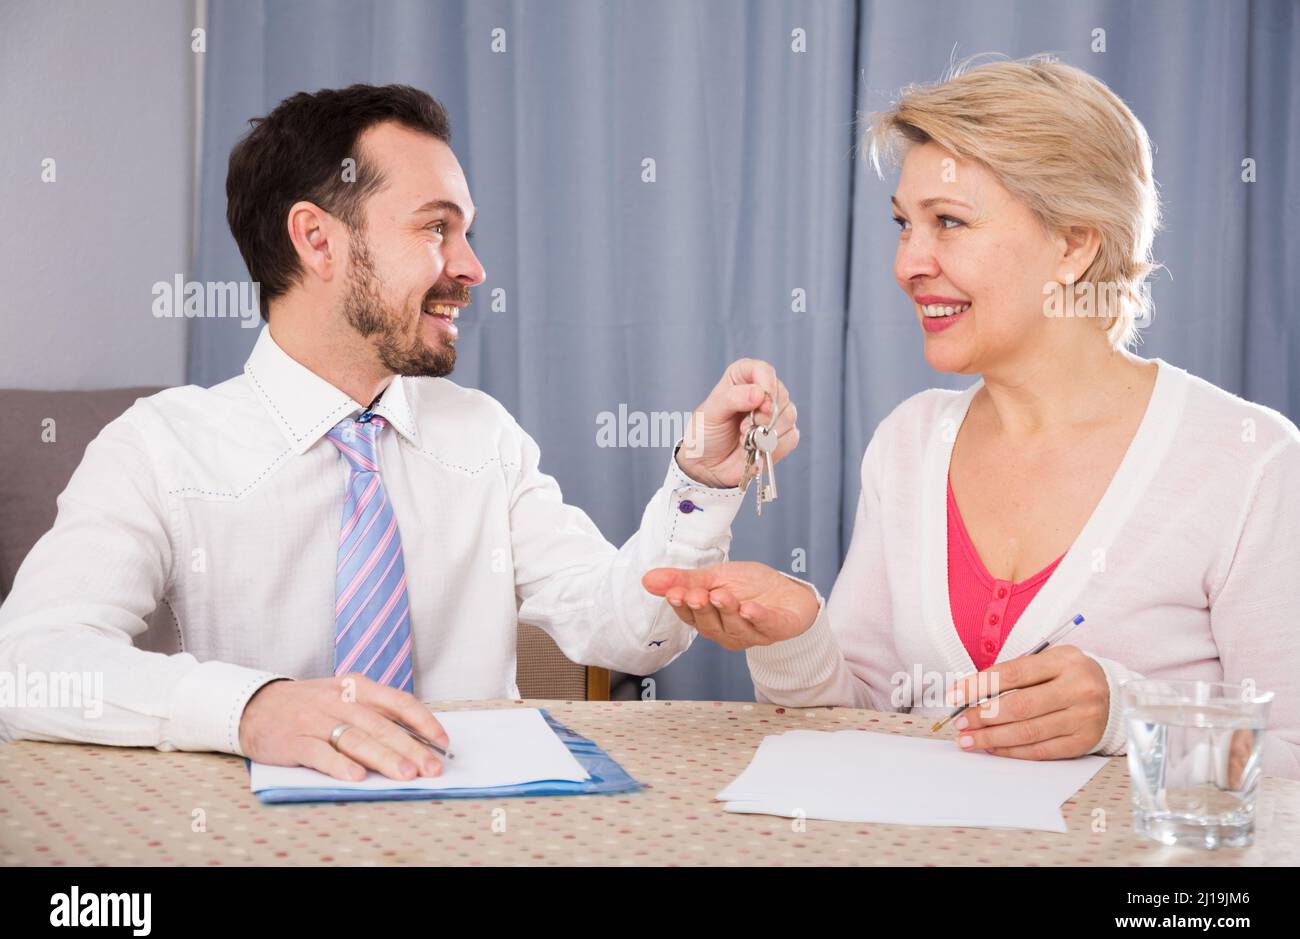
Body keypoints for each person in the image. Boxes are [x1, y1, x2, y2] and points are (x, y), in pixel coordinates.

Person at [0, 84, 799, 782]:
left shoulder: (484, 437)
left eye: (469, 232)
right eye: (435, 229)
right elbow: (28, 668)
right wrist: (251, 709)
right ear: (317, 240)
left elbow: (631, 633)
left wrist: (701, 484)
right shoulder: (159, 448)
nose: (473, 268)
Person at [644, 57, 1300, 779]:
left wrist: (1126, 716)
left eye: (949, 222)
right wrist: (796, 637)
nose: (907, 264)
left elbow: (1293, 759)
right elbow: (866, 717)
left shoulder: (1249, 461)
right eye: (904, 225)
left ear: (1075, 245)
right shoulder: (911, 440)